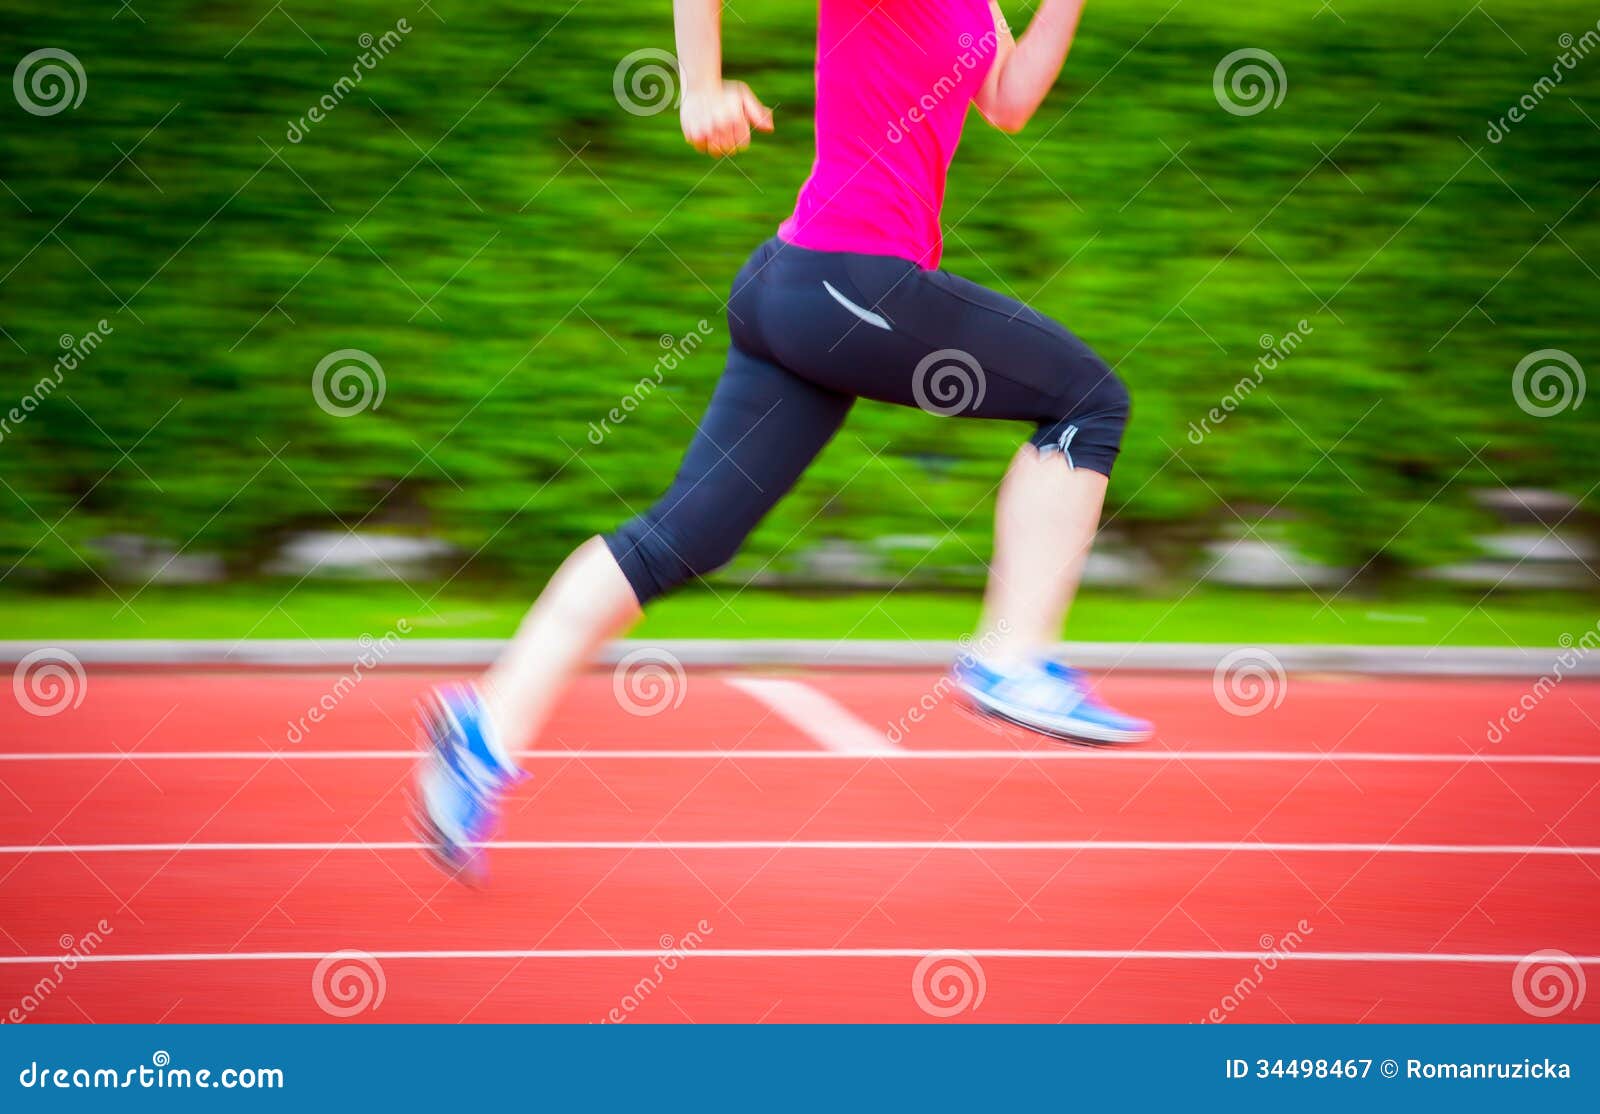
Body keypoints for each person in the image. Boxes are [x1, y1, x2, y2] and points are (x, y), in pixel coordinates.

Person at [416, 0, 1151, 881]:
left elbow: (1011, 98)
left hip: (804, 292)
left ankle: (483, 729)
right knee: (1089, 402)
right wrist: (699, 87)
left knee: (686, 538)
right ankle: (1012, 656)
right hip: (849, 279)